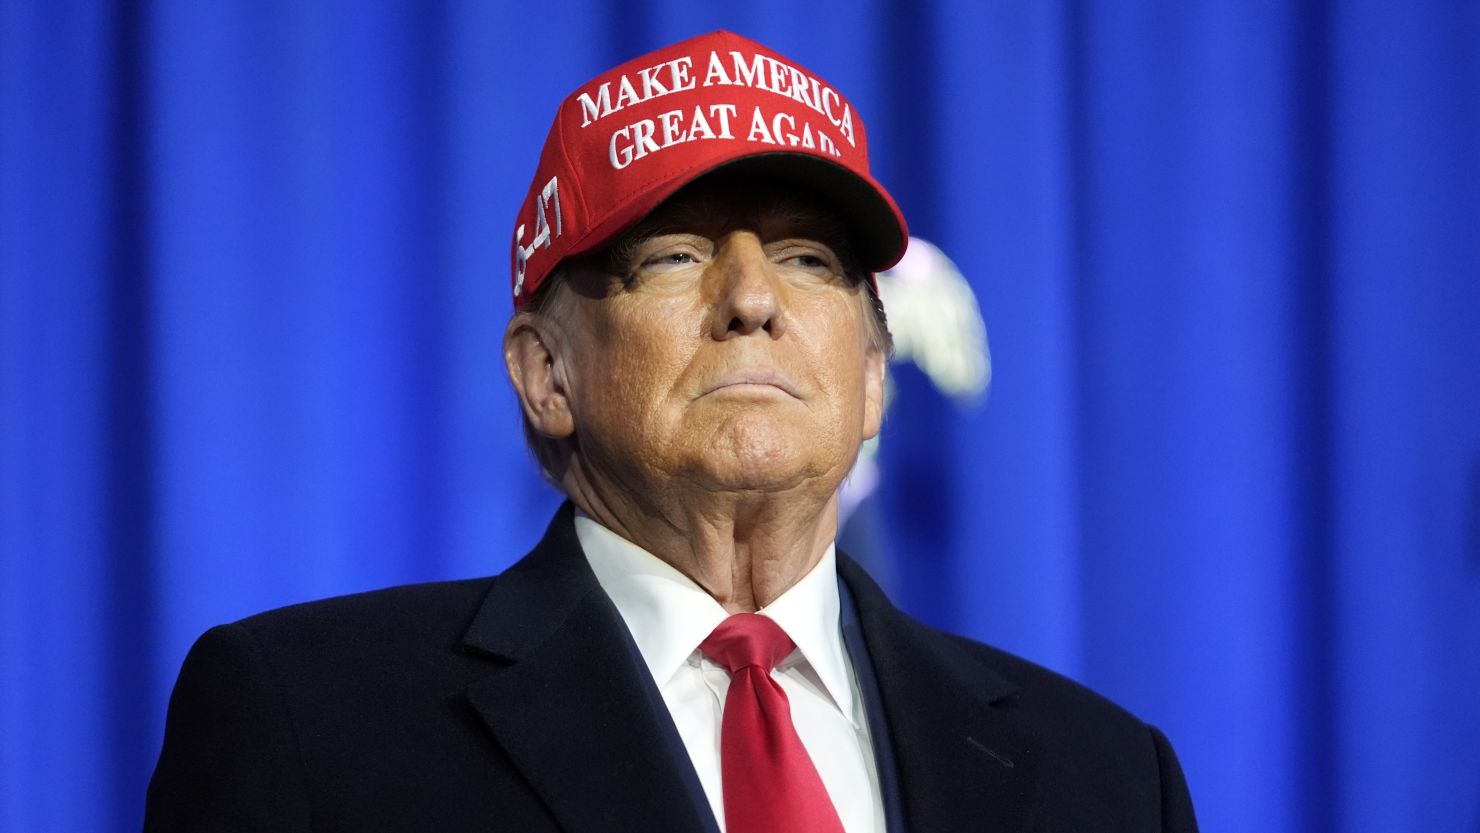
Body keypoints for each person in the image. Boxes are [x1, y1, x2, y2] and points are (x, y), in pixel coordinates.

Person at [145, 30, 1198, 833]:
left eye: (808, 260)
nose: (751, 298)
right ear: (546, 373)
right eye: (675, 256)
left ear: (873, 376)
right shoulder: (309, 721)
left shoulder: (1103, 776)